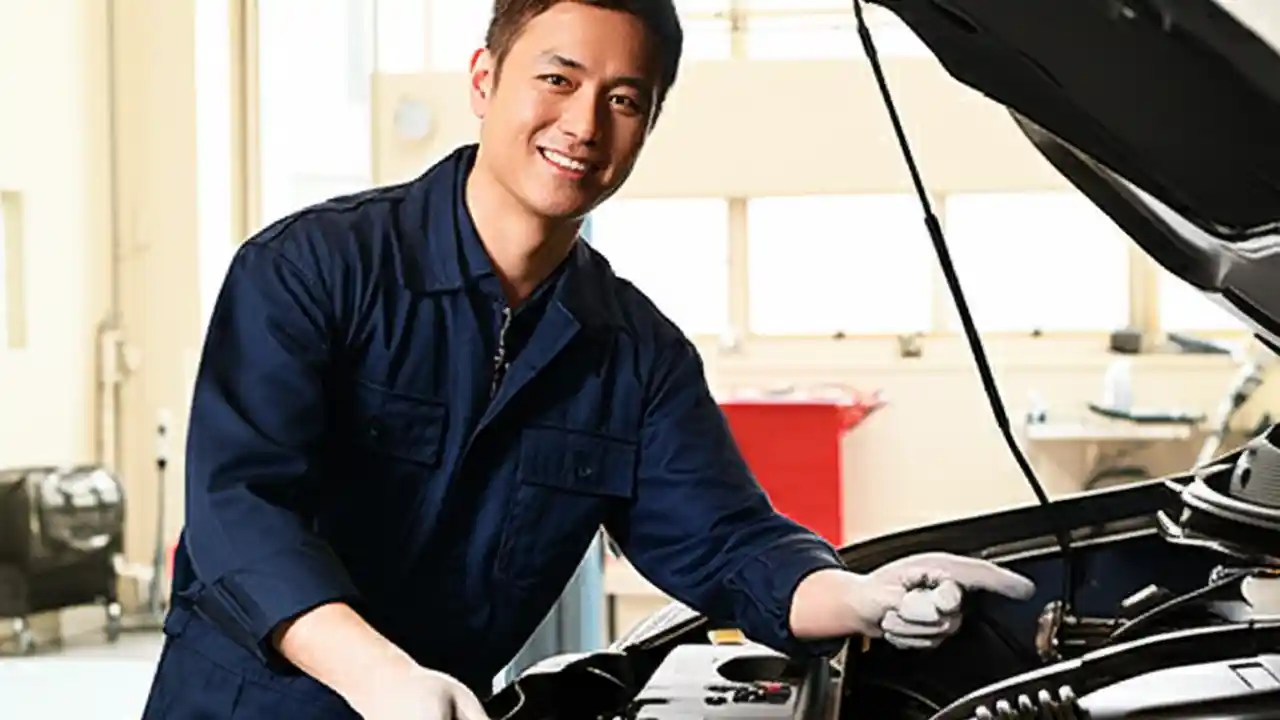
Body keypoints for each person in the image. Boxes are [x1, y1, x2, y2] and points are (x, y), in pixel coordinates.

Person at [142, 1, 1036, 718]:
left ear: (647, 126)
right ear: (485, 80)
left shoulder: (634, 353)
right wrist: (377, 677)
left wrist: (858, 596)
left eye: (623, 98)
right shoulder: (312, 269)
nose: (583, 123)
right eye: (557, 79)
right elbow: (241, 512)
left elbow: (728, 543)